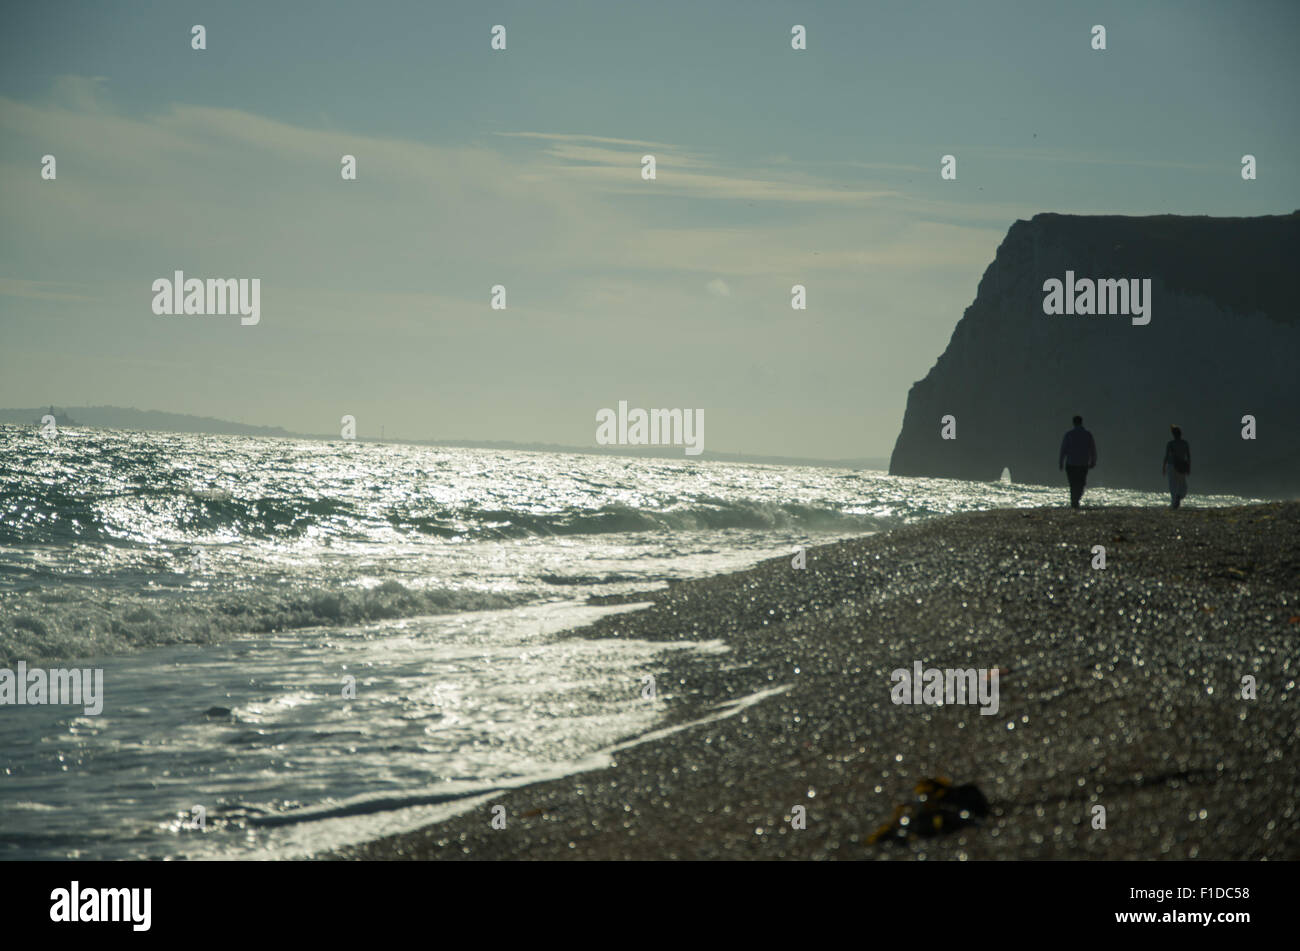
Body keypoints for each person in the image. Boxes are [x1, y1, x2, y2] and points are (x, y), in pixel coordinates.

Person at [1058, 415, 1097, 509]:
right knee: (1081, 482)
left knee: (1073, 483)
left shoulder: (1069, 434)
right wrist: (1093, 461)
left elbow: (1063, 449)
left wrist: (1061, 462)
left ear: (1074, 423)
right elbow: (1092, 449)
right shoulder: (1087, 434)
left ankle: (1074, 500)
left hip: (1071, 463)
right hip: (1083, 463)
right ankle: (1076, 499)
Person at [1162, 425, 1191, 509]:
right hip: (1181, 466)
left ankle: (1174, 501)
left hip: (1171, 465)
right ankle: (1178, 497)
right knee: (1183, 485)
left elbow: (1166, 456)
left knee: (1172, 485)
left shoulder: (1170, 443)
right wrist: (1189, 467)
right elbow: (1188, 456)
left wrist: (1163, 467)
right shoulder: (1185, 443)